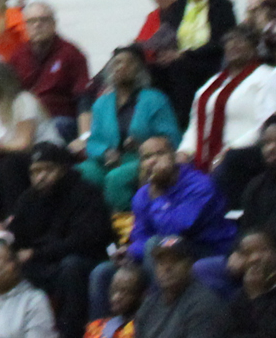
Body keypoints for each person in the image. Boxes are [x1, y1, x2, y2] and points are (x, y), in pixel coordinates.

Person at [90, 136, 236, 316]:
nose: (153, 161)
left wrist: (158, 196)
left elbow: (176, 229)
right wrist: (130, 252)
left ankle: (161, 319)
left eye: (160, 154)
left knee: (157, 245)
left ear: (174, 157)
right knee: (103, 272)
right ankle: (101, 328)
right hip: (164, 253)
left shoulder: (199, 185)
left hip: (207, 250)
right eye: (146, 157)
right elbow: (140, 236)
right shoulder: (143, 195)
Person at [4, 142, 111, 338]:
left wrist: (36, 253)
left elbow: (84, 241)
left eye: (47, 169)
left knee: (71, 267)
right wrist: (2, 240)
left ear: (62, 169)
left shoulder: (86, 193)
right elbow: (16, 235)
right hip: (44, 263)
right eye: (35, 172)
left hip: (84, 261)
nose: (40, 177)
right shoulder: (28, 199)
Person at [77, 46, 182, 213]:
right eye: (117, 63)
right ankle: (95, 219)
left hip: (142, 159)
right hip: (108, 161)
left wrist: (142, 144)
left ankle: (129, 220)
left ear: (140, 70)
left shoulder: (155, 99)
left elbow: (172, 138)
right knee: (81, 172)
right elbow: (93, 141)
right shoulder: (101, 104)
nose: (122, 66)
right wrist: (105, 152)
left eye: (129, 63)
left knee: (116, 179)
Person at [181, 26, 276, 206]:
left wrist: (230, 150)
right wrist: (184, 151)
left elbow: (265, 124)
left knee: (227, 167)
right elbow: (195, 124)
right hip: (207, 157)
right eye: (229, 41)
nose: (233, 45)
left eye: (240, 40)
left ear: (255, 47)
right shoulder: (212, 83)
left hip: (245, 154)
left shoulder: (266, 77)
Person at [0, 63, 64, 226]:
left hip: (44, 151)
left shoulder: (23, 102)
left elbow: (24, 144)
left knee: (9, 166)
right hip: (11, 154)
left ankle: (15, 220)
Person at [157, 0, 239, 125]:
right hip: (178, 59)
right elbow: (167, 36)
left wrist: (185, 54)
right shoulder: (177, 6)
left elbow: (222, 42)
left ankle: (186, 122)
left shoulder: (223, 5)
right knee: (152, 71)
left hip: (210, 60)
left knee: (180, 68)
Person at [9, 0, 91, 144]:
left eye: (43, 20)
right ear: (25, 26)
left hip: (60, 120)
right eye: (32, 21)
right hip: (27, 122)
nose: (37, 25)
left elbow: (84, 98)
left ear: (54, 24)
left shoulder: (71, 54)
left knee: (55, 128)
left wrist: (84, 139)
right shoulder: (17, 56)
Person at [134, 235, 228, 337]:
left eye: (174, 261)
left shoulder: (204, 304)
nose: (167, 268)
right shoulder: (150, 303)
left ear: (189, 265)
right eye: (161, 263)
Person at [227, 227, 276, 337]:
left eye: (262, 250)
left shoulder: (254, 290)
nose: (255, 258)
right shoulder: (243, 294)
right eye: (247, 253)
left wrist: (257, 296)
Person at [86, 263, 144, 338]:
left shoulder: (141, 331)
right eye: (114, 289)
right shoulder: (97, 326)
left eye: (124, 292)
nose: (116, 297)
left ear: (140, 295)